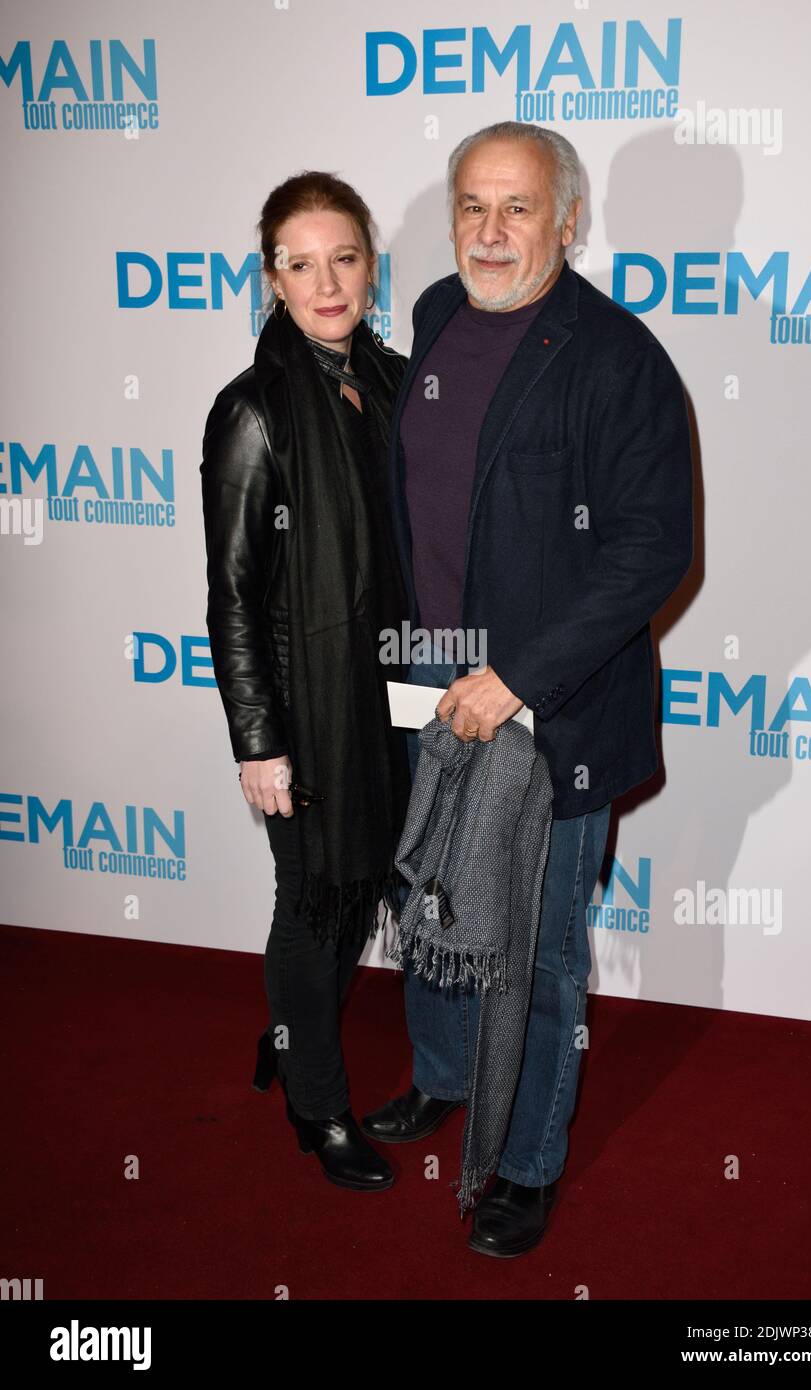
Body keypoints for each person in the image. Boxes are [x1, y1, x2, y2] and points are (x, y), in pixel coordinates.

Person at [362, 122, 694, 1255]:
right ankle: (447, 1074)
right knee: (431, 905)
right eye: (470, 206)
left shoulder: (615, 357)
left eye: (515, 208)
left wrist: (514, 678)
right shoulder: (432, 322)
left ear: (565, 219)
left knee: (539, 946)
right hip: (427, 683)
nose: (489, 232)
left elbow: (648, 548)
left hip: (546, 709)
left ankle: (525, 1161)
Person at [200, 171, 410, 1193]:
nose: (326, 282)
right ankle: (316, 1104)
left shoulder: (399, 383)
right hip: (304, 712)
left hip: (388, 700)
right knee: (313, 900)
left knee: (359, 886)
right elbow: (233, 596)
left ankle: (286, 1036)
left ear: (371, 264)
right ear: (270, 278)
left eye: (344, 257)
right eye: (300, 262)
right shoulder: (251, 411)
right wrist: (257, 739)